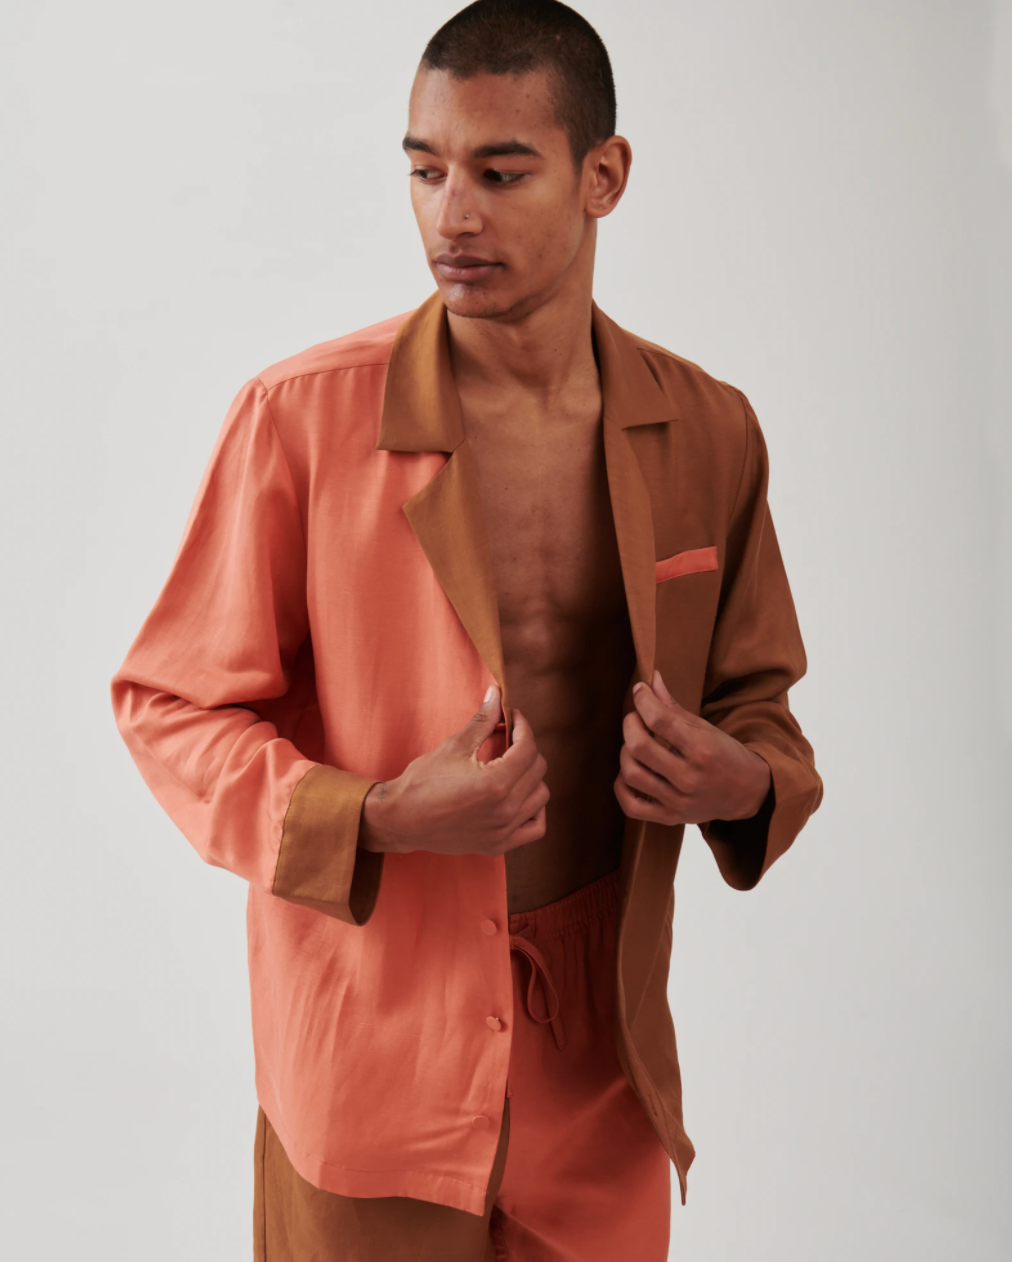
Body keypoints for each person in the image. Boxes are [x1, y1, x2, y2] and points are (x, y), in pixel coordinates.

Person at [111, 1, 823, 1258]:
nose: (452, 216)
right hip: (372, 1037)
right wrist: (378, 812)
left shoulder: (709, 429)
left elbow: (759, 702)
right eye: (425, 170)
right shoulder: (299, 418)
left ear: (602, 176)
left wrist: (745, 781)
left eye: (500, 173)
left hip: (601, 1053)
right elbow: (169, 707)